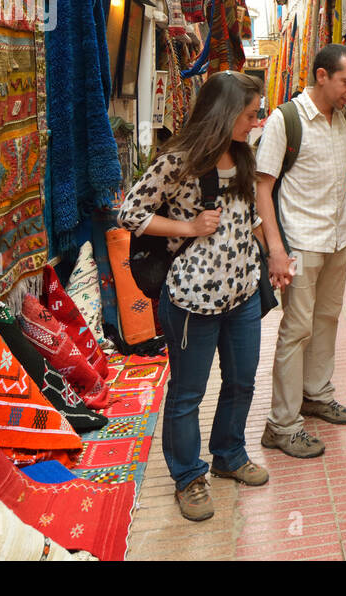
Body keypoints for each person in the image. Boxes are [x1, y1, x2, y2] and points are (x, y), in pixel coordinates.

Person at [117, 70, 273, 522]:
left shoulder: (244, 155)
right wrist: (188, 227)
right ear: (223, 114)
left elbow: (248, 214)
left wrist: (271, 252)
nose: (254, 121)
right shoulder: (179, 161)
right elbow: (129, 213)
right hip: (191, 300)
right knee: (188, 393)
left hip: (241, 293)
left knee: (242, 380)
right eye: (248, 114)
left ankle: (228, 454)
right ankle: (188, 476)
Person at [255, 43, 346, 458]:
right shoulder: (286, 120)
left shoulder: (345, 119)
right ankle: (282, 424)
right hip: (300, 240)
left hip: (336, 239)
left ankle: (316, 393)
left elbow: (342, 179)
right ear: (322, 75)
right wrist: (276, 250)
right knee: (296, 330)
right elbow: (262, 187)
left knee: (327, 319)